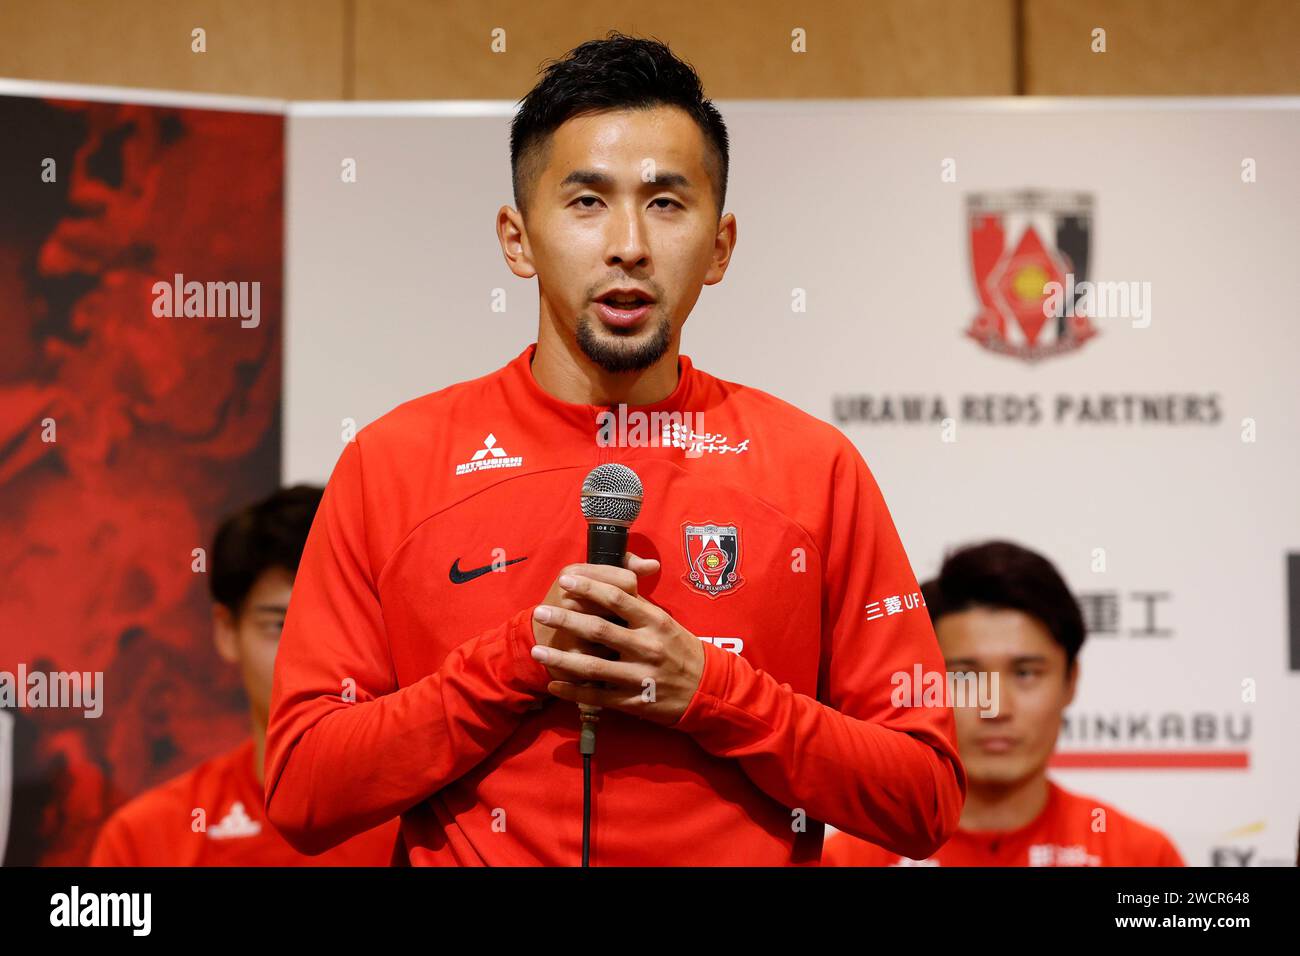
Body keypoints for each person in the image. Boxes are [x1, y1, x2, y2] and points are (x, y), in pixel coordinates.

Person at [264, 32, 965, 866]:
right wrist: (517, 659)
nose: (628, 242)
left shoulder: (814, 470)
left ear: (722, 245)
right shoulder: (393, 464)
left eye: (666, 202)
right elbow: (304, 792)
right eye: (587, 201)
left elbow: (924, 798)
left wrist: (709, 692)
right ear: (516, 240)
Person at [823, 540, 1185, 867]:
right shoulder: (850, 860)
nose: (995, 707)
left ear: (1070, 681)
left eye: (1026, 673)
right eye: (965, 675)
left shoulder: (1141, 856)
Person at [90, 486, 399, 865]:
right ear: (226, 631)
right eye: (279, 624)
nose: (311, 655)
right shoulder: (145, 841)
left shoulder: (442, 823)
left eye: (339, 623)